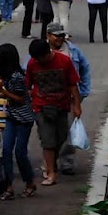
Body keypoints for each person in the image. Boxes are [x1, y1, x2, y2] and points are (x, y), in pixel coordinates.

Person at [27, 32, 82, 187]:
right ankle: (51, 172)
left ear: (48, 53)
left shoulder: (64, 61)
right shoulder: (32, 64)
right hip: (41, 107)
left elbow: (73, 85)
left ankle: (50, 162)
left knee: (61, 137)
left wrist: (77, 106)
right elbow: (28, 85)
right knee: (47, 140)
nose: (39, 61)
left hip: (62, 106)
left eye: (41, 58)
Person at [0, 43, 36, 200]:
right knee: (6, 150)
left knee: (20, 152)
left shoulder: (17, 77)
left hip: (23, 118)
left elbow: (20, 99)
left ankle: (29, 182)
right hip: (11, 116)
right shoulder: (8, 75)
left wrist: (3, 91)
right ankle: (8, 186)